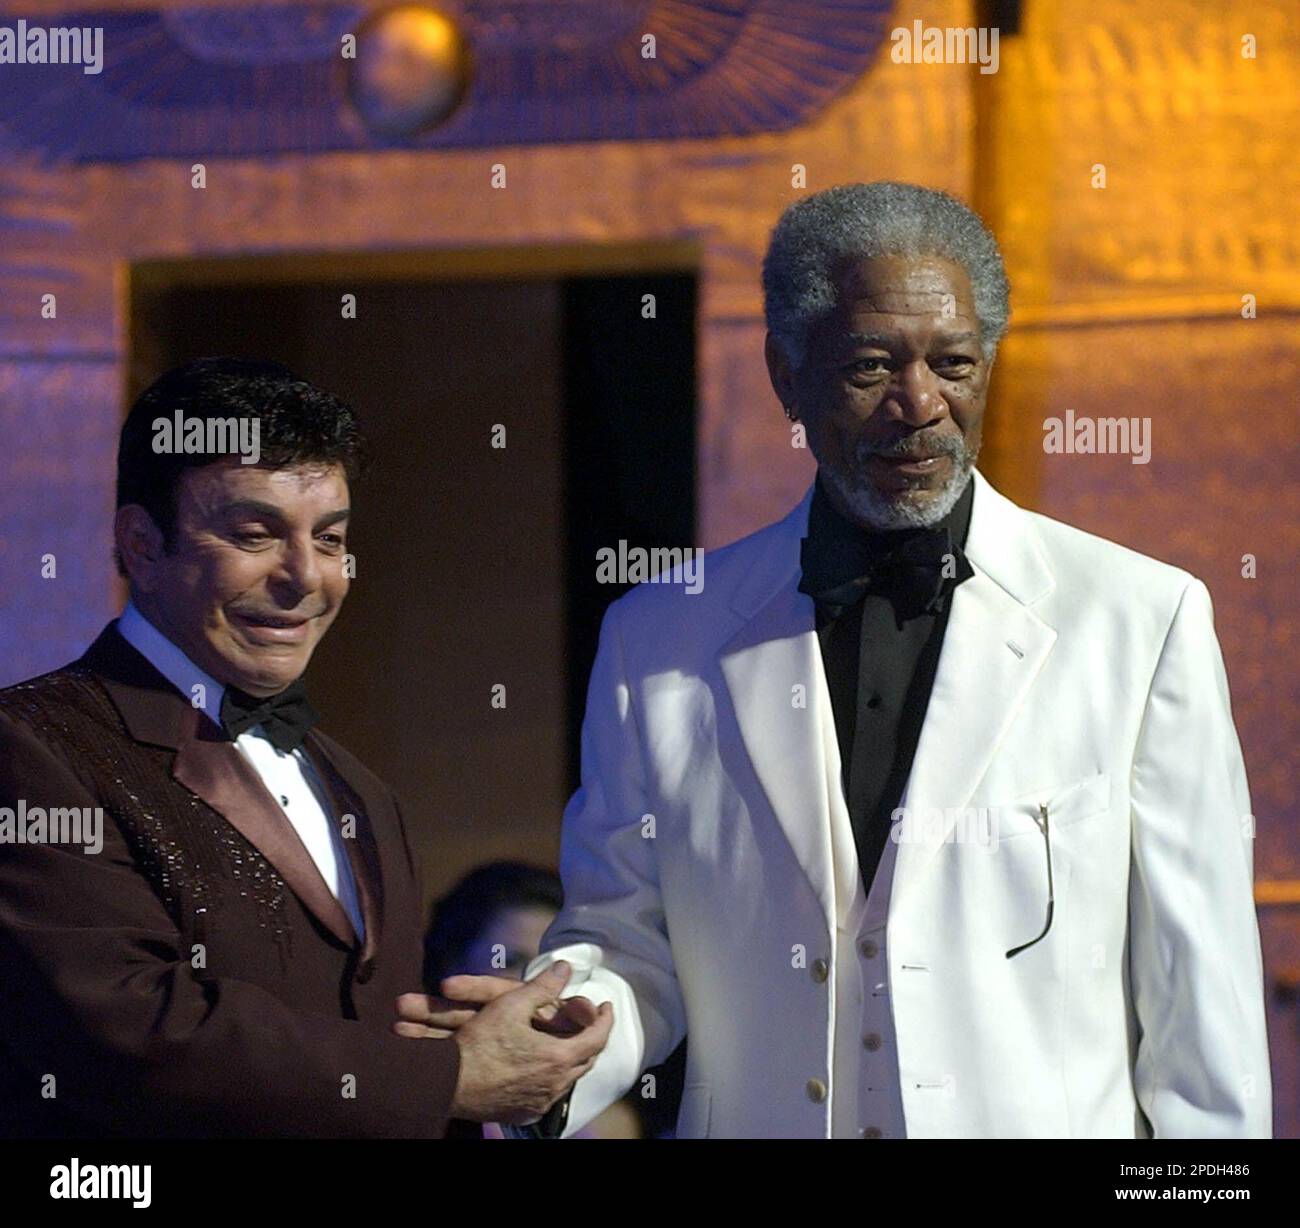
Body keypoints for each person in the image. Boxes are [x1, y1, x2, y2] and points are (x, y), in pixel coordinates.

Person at [401, 181, 1272, 1138]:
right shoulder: (660, 637)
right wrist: (552, 1049)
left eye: (954, 363)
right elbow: (625, 939)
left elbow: (1201, 999)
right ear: (786, 373)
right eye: (870, 367)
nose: (920, 405)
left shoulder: (1141, 621)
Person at [0, 357, 610, 1138]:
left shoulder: (358, 788)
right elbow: (125, 1033)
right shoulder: (33, 745)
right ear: (142, 543)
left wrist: (513, 1067)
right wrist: (449, 1075)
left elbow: (376, 1050)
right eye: (255, 534)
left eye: (329, 539)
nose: (304, 577)